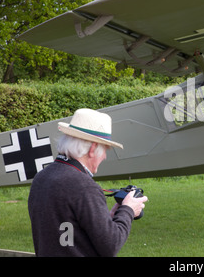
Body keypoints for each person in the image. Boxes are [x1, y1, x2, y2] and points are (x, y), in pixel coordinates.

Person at [28, 108, 148, 257]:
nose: (104, 156)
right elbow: (111, 245)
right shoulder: (84, 186)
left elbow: (65, 234)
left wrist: (105, 219)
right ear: (92, 149)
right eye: (105, 150)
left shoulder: (41, 178)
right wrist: (128, 210)